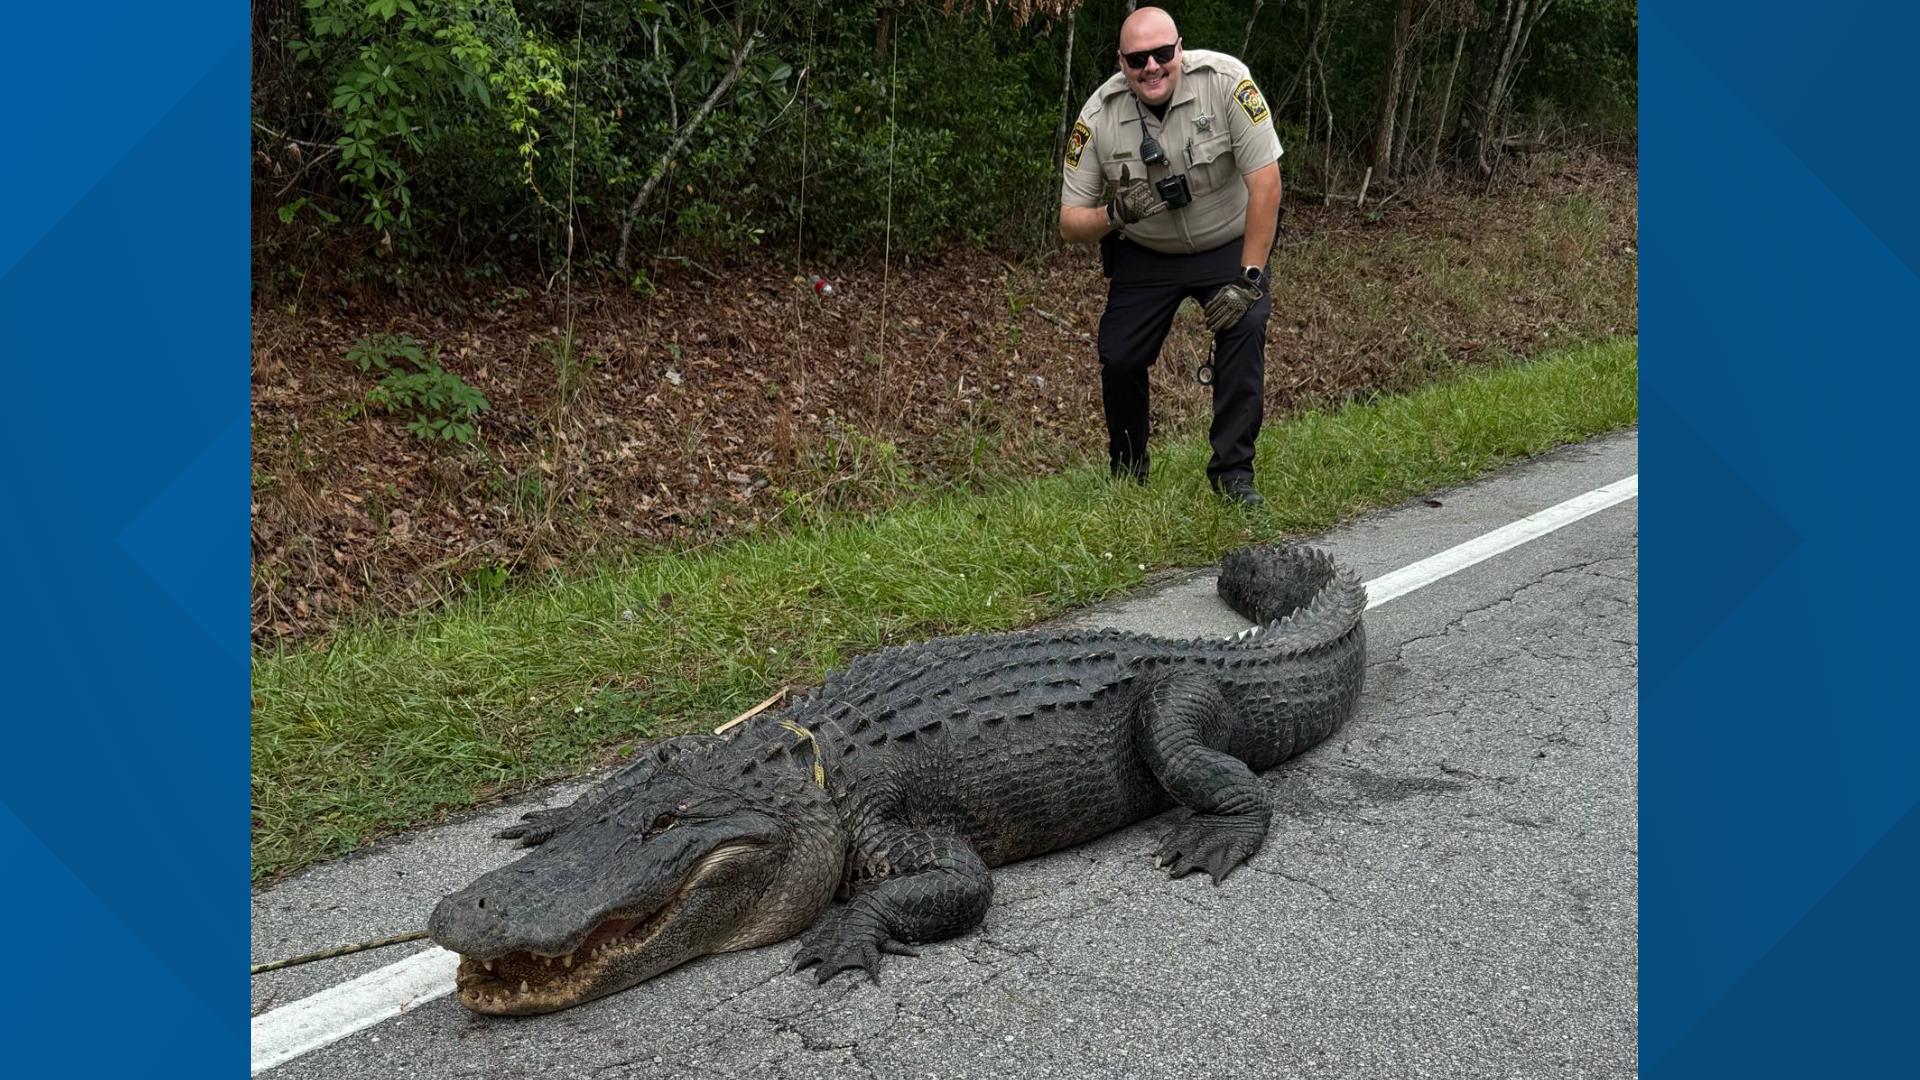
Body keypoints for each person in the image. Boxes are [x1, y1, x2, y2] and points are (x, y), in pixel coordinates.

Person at [1058, 6, 1282, 508]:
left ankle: (1233, 475)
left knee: (1244, 327)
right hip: (1147, 251)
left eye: (1162, 53)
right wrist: (1113, 213)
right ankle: (1128, 474)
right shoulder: (1098, 116)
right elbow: (1070, 221)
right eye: (1138, 59)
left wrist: (1250, 276)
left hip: (1227, 239)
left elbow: (1266, 184)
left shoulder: (1226, 83)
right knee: (1119, 356)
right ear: (1122, 62)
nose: (1152, 67)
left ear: (1180, 48)